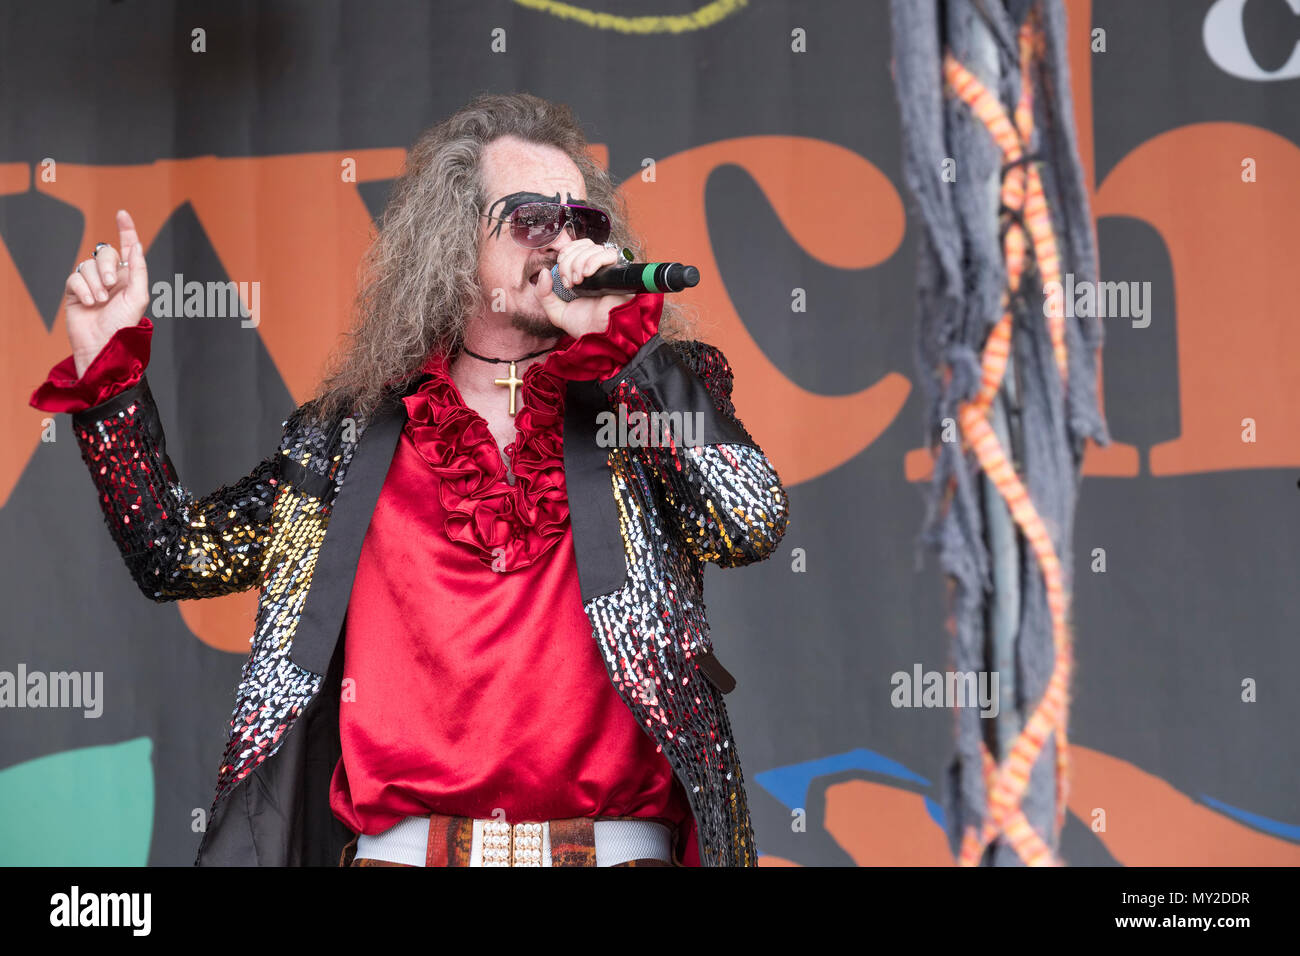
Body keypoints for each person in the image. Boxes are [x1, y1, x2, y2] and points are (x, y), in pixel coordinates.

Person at [31, 92, 789, 867]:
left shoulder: (650, 394)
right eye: (533, 217)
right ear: (456, 241)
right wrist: (107, 375)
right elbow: (175, 553)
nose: (564, 240)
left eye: (583, 221)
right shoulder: (343, 445)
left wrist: (633, 353)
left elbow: (750, 522)